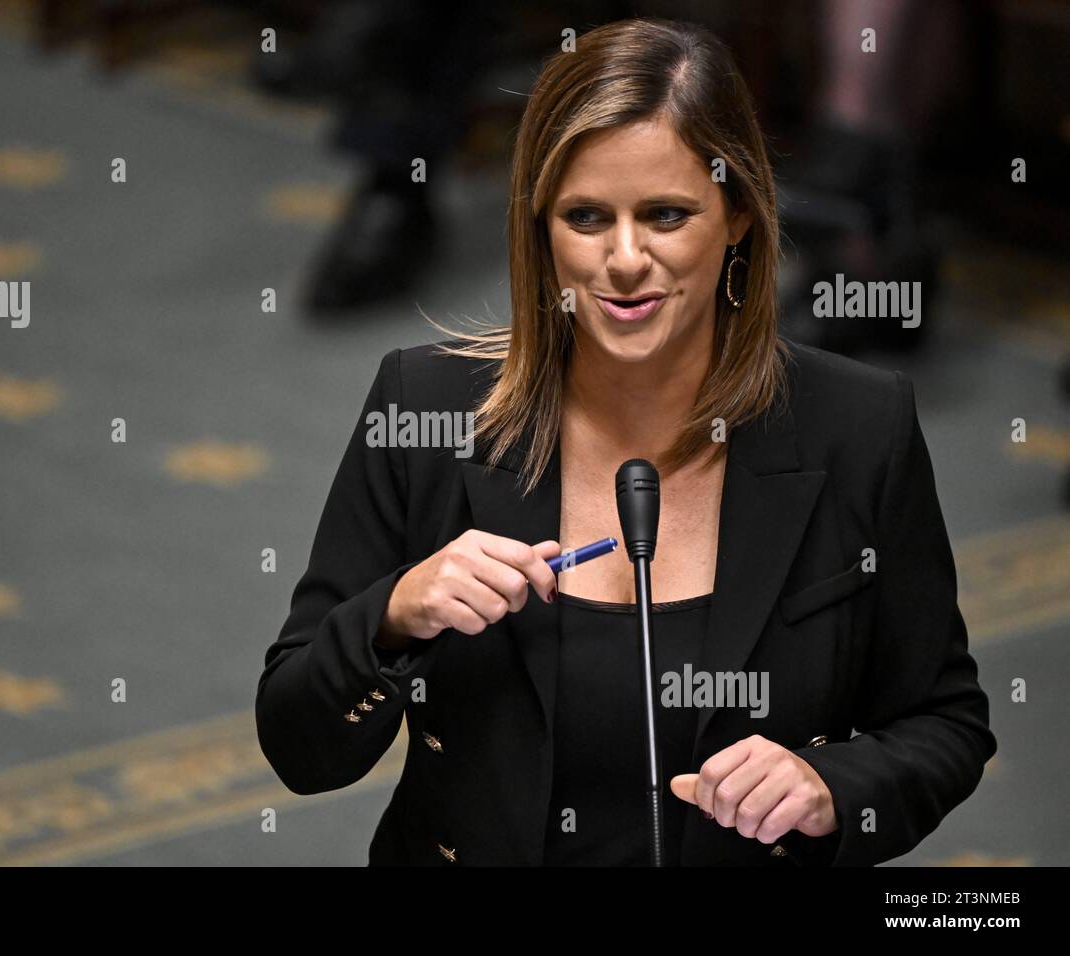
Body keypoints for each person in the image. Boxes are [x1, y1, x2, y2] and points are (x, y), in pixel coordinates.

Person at [255, 17, 997, 866]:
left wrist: (834, 789)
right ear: (539, 225)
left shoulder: (860, 426)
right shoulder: (426, 410)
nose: (624, 259)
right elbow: (297, 745)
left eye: (667, 214)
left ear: (741, 216)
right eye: (585, 217)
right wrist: (391, 618)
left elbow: (944, 724)